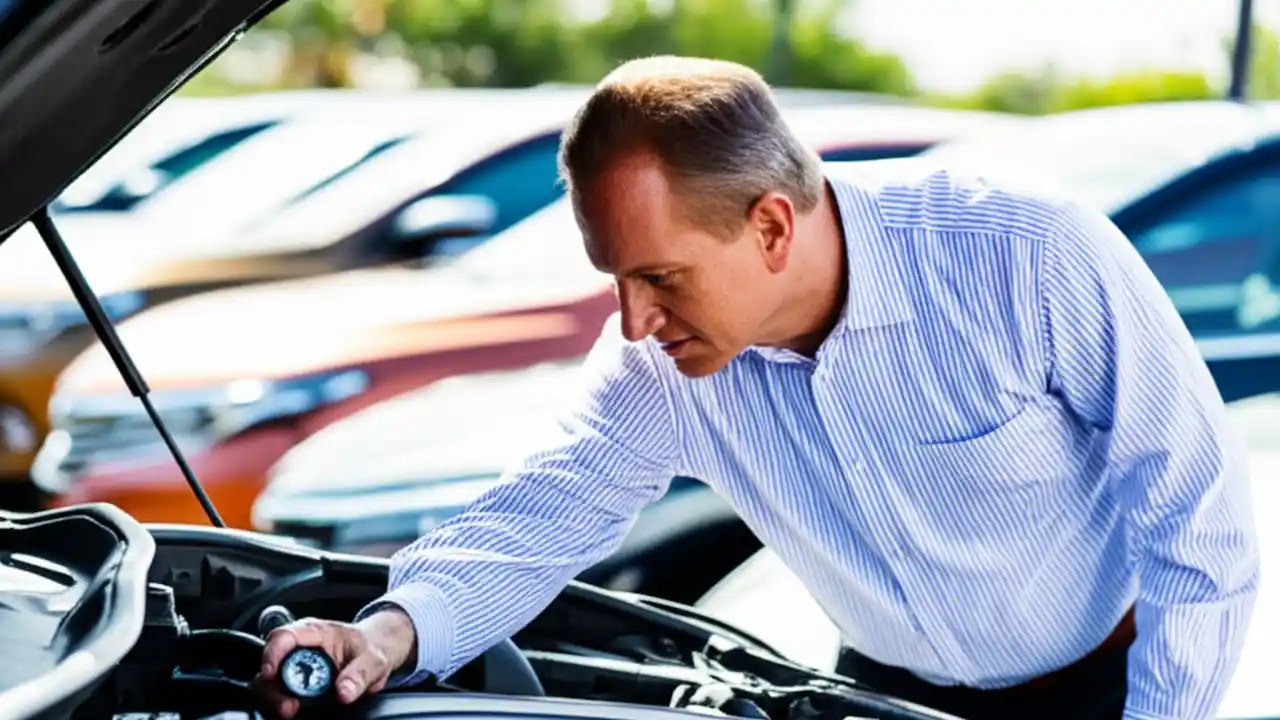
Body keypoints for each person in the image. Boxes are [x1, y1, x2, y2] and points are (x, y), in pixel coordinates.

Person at [258, 56, 1259, 720]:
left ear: (771, 227)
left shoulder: (1022, 257)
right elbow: (540, 515)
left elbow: (1194, 518)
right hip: (877, 696)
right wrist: (386, 632)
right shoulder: (664, 364)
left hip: (1102, 691)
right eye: (615, 277)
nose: (634, 320)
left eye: (659, 276)